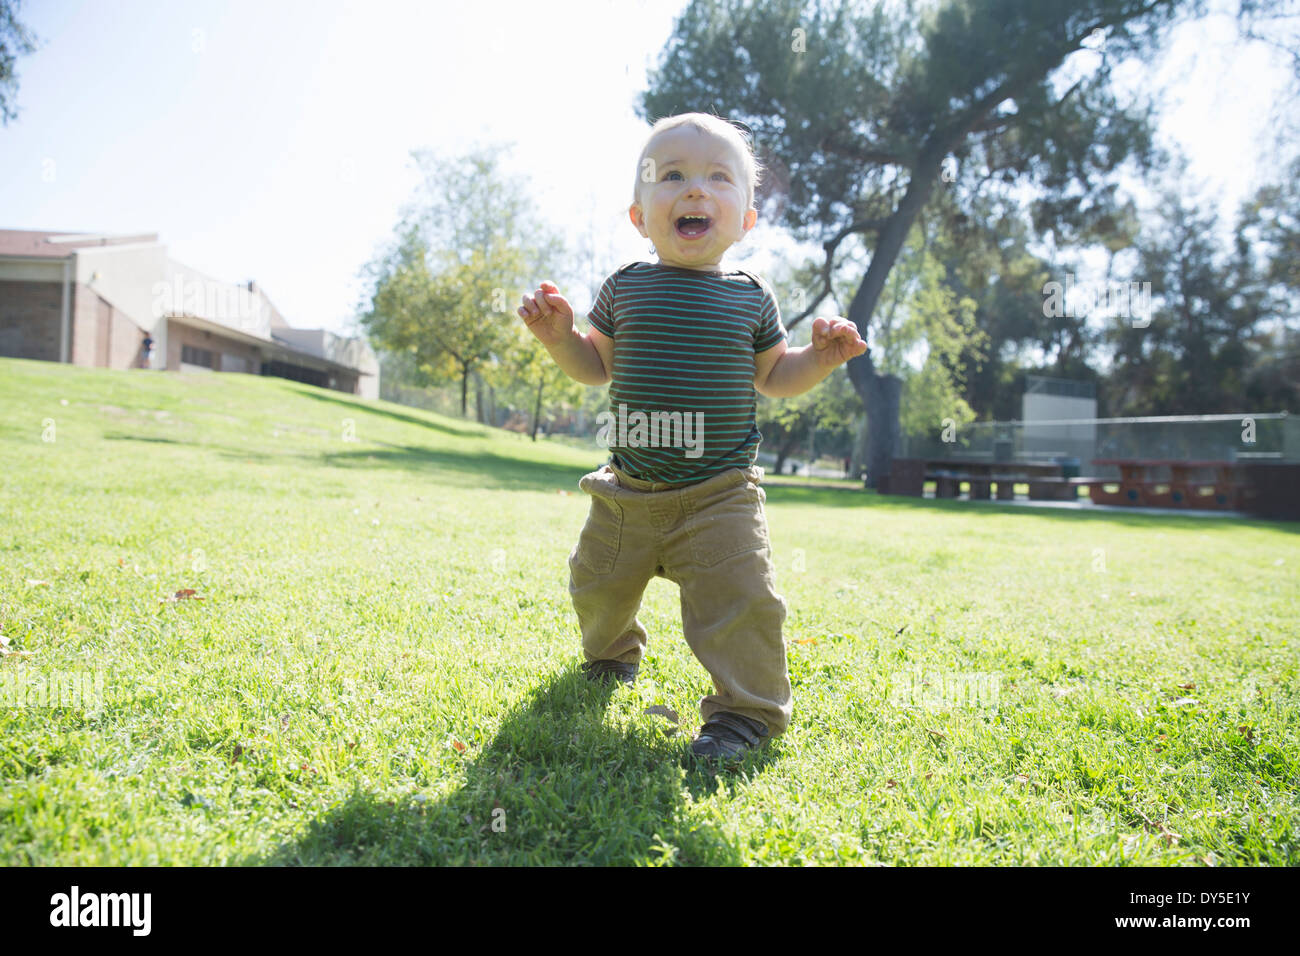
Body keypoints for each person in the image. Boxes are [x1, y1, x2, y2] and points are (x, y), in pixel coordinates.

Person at [517, 113, 866, 762]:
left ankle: (745, 715)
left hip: (720, 496)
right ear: (639, 215)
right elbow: (596, 368)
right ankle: (612, 656)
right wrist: (560, 338)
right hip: (626, 493)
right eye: (671, 176)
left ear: (746, 220)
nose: (695, 190)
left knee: (741, 601)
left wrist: (819, 359)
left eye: (717, 179)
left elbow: (776, 377)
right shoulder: (626, 286)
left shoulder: (751, 298)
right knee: (595, 586)